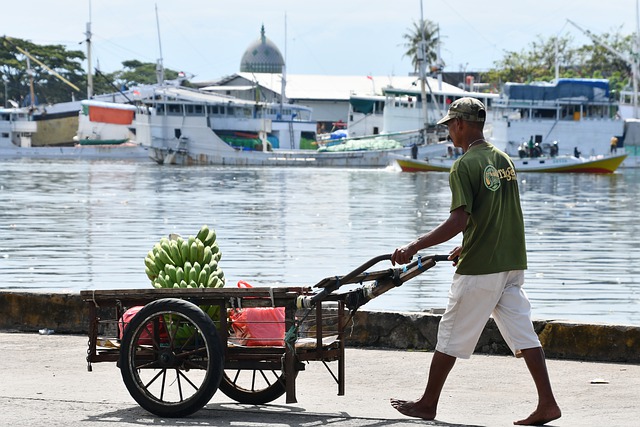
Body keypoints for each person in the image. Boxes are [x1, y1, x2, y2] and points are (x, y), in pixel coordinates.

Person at [389, 97, 561, 426]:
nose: (449, 133)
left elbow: (460, 219)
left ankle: (427, 404)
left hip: (483, 267)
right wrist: (465, 246)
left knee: (450, 332)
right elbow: (495, 214)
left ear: (460, 125)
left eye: (450, 126)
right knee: (524, 334)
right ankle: (548, 403)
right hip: (511, 261)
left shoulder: (464, 165)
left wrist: (414, 245)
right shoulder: (503, 159)